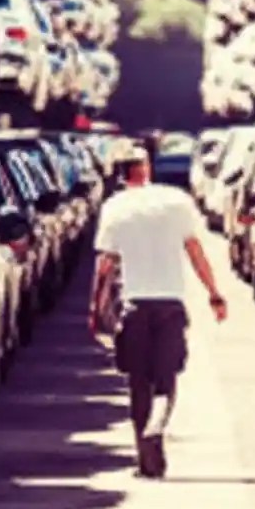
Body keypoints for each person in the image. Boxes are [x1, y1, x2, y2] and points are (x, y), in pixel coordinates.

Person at [89, 146, 226, 479]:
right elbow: (195, 250)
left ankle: (145, 458)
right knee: (166, 381)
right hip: (170, 305)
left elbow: (105, 264)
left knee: (138, 382)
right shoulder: (176, 202)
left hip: (135, 305)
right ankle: (157, 427)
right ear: (146, 168)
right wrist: (214, 293)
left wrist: (96, 307)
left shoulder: (115, 208)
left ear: (119, 174)